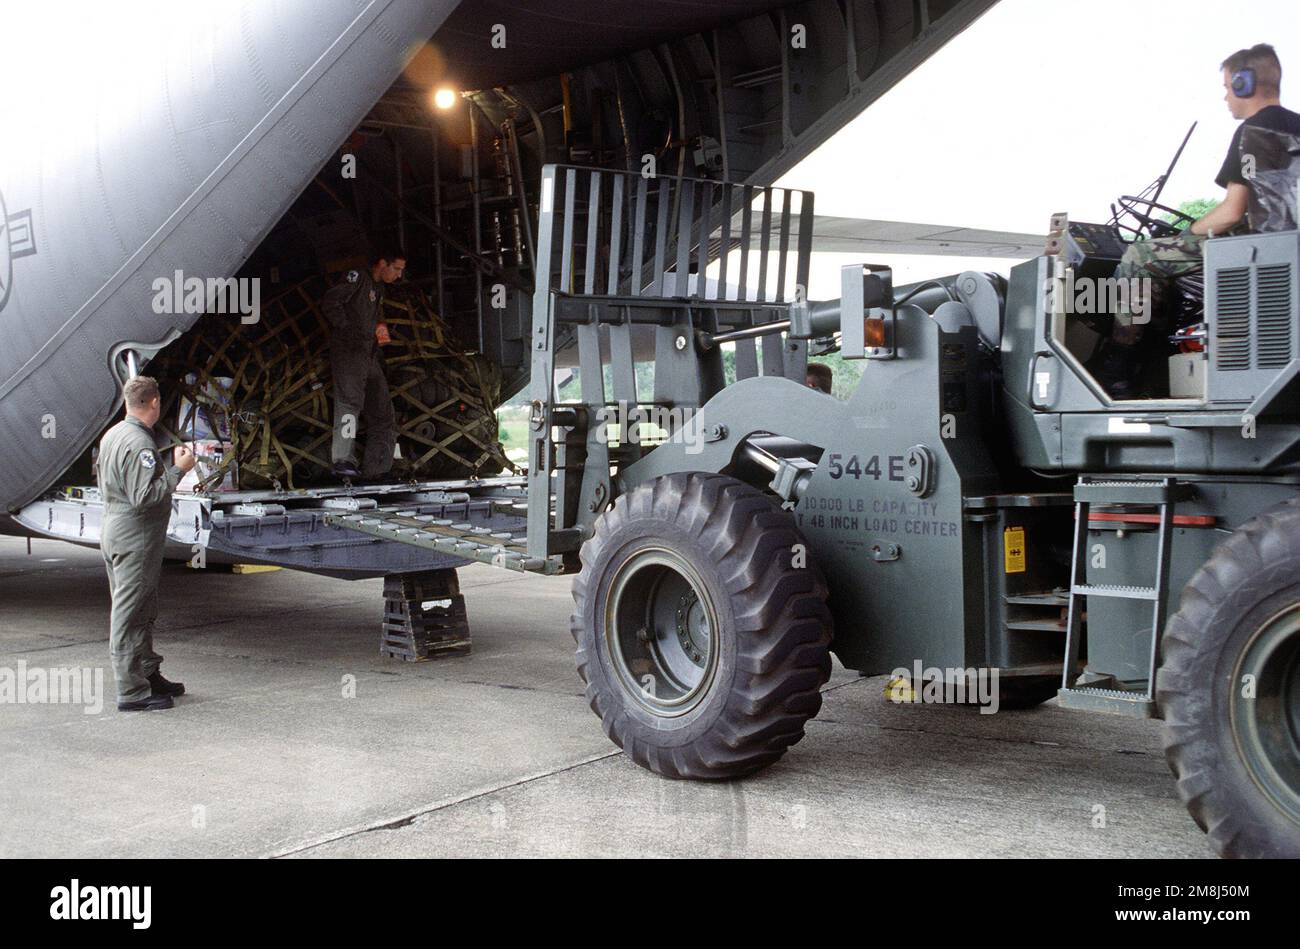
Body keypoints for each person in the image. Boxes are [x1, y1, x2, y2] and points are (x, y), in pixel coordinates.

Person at [1099, 44, 1300, 398]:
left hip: (1258, 253)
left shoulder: (1253, 130)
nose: (1225, 98)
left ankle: (1118, 371)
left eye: (1226, 88)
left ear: (1244, 83)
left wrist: (1185, 232)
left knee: (1140, 257)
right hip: (1284, 253)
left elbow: (1232, 212)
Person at [98, 376, 196, 711]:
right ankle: (132, 691)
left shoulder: (113, 434)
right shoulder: (139, 444)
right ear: (154, 402)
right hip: (135, 537)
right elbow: (144, 496)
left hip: (116, 529)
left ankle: (148, 672)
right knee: (129, 613)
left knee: (143, 608)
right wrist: (178, 471)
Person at [320, 248, 405, 480]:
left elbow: (378, 320)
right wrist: (346, 330)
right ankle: (343, 459)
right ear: (382, 263)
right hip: (349, 354)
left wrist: (384, 344)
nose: (398, 275)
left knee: (383, 412)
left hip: (369, 356)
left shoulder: (379, 289)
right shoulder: (356, 278)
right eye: (396, 269)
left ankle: (379, 466)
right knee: (349, 405)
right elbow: (331, 302)